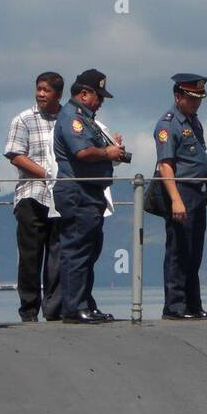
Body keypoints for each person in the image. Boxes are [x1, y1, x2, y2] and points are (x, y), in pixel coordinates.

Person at [50, 69, 124, 324]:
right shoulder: (73, 118)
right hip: (77, 190)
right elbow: (82, 152)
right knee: (76, 251)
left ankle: (85, 302)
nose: (100, 102)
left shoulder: (86, 119)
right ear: (84, 93)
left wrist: (111, 149)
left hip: (90, 191)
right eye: (98, 97)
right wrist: (108, 153)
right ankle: (73, 307)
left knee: (89, 250)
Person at [155, 73, 207, 320]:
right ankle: (175, 305)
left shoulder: (194, 122)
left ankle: (193, 303)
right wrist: (176, 200)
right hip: (180, 190)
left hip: (197, 190)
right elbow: (166, 165)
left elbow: (200, 157)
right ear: (178, 96)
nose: (196, 103)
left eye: (199, 99)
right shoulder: (168, 124)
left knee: (194, 251)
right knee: (178, 250)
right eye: (191, 99)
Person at [5, 72, 64, 323]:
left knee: (57, 255)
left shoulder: (68, 119)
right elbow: (15, 154)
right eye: (39, 89)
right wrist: (47, 174)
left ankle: (55, 308)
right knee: (30, 256)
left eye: (46, 90)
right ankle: (29, 309)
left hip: (60, 196)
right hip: (32, 195)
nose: (41, 94)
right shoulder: (24, 119)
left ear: (58, 94)